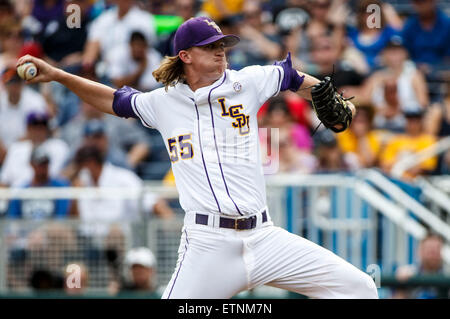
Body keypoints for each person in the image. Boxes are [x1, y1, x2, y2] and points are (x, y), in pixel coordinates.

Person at [17, 16, 378, 299]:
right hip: (209, 244)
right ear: (186, 56)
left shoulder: (246, 82)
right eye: (210, 47)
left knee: (359, 289)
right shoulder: (163, 102)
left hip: (266, 237)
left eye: (222, 44)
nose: (220, 51)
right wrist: (57, 75)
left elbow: (289, 75)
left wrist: (321, 91)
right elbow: (112, 100)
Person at [7, 145, 71, 219]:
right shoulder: (21, 191)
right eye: (39, 164)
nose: (43, 168)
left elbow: (61, 217)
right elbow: (12, 220)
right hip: (26, 229)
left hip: (52, 229)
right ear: (31, 164)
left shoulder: (60, 187)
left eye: (45, 164)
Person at [394, 233, 447, 299]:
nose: (433, 254)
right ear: (420, 251)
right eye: (430, 250)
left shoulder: (447, 274)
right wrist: (401, 286)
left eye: (437, 249)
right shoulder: (409, 272)